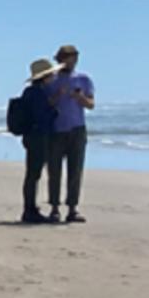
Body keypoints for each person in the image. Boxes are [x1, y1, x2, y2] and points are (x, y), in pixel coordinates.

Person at [45, 44, 95, 223]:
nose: (70, 61)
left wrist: (79, 97)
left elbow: (91, 104)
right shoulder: (52, 80)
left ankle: (72, 208)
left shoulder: (83, 79)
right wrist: (58, 95)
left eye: (73, 57)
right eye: (66, 57)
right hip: (56, 129)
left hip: (77, 129)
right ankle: (54, 208)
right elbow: (47, 104)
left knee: (75, 170)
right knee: (54, 170)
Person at [17, 58, 58, 224]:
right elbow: (43, 116)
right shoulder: (39, 93)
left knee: (32, 174)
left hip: (30, 135)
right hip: (38, 136)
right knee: (34, 174)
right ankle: (29, 209)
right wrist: (54, 111)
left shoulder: (29, 91)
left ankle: (30, 208)